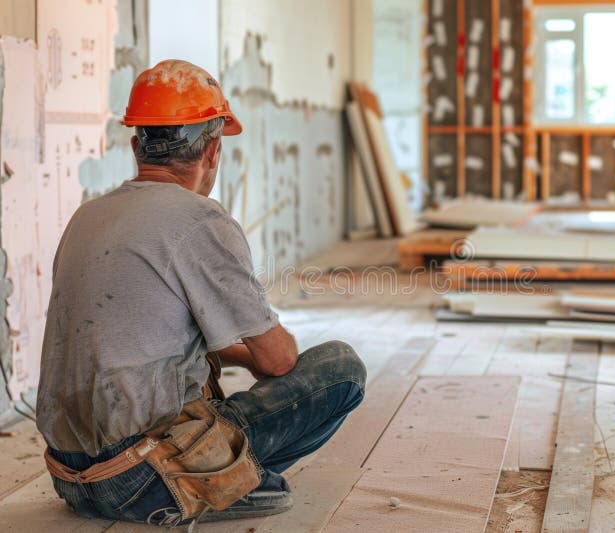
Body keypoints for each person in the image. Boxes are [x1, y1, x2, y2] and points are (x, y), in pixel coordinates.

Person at [35, 59, 366, 527]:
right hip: (144, 479)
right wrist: (256, 356)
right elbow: (278, 360)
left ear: (136, 147)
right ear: (213, 150)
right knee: (341, 368)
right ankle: (216, 486)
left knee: (203, 384)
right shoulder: (201, 219)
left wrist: (236, 357)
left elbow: (134, 339)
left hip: (71, 479)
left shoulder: (86, 216)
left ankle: (214, 475)